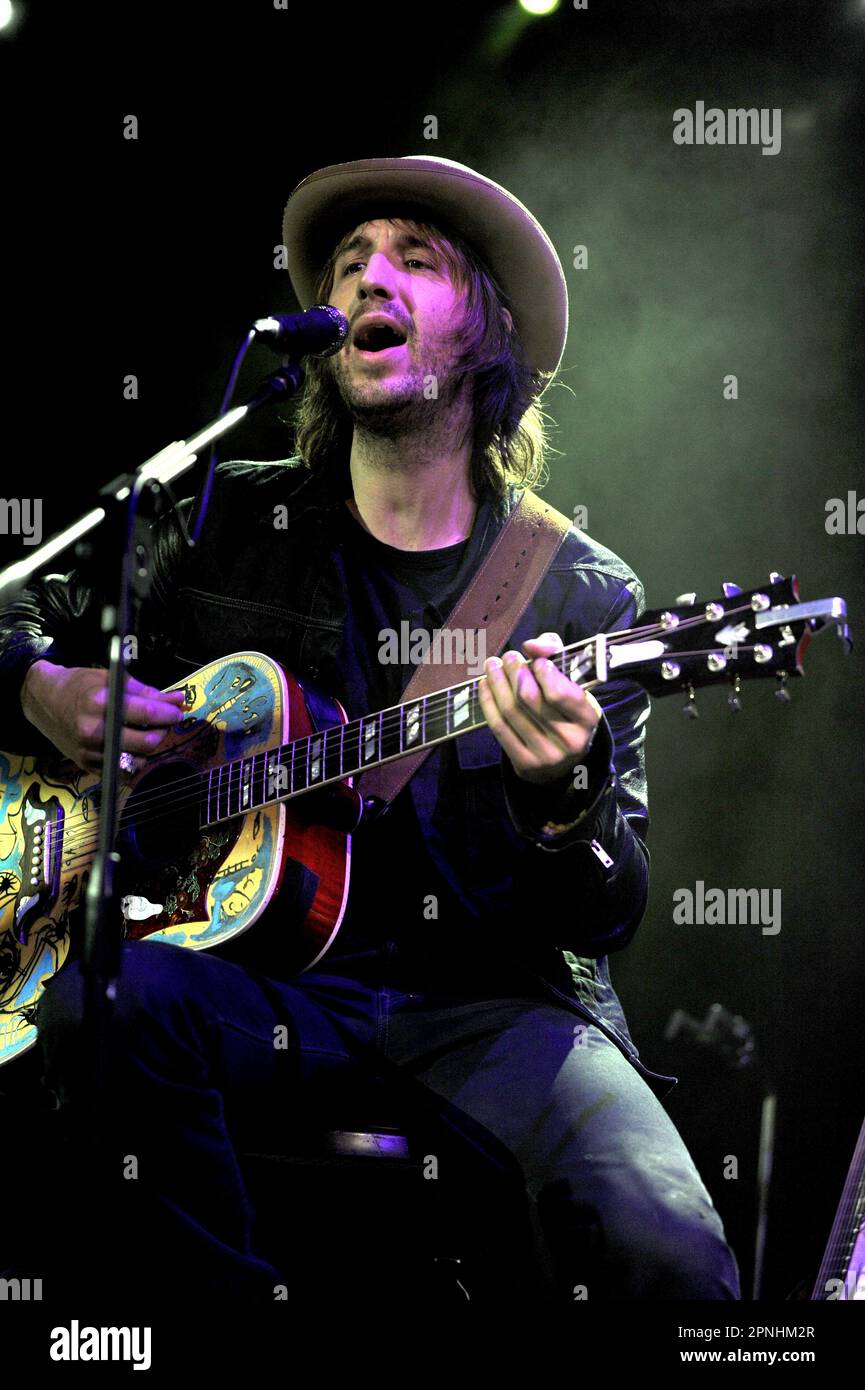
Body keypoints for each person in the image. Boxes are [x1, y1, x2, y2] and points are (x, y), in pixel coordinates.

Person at [0, 155, 741, 1304]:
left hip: (492, 1012)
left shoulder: (576, 592)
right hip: (264, 984)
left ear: (489, 329)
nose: (366, 281)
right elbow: (16, 603)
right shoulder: (222, 512)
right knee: (110, 995)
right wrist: (37, 684)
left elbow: (610, 908)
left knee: (669, 1250)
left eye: (414, 260)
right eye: (348, 263)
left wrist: (561, 799)